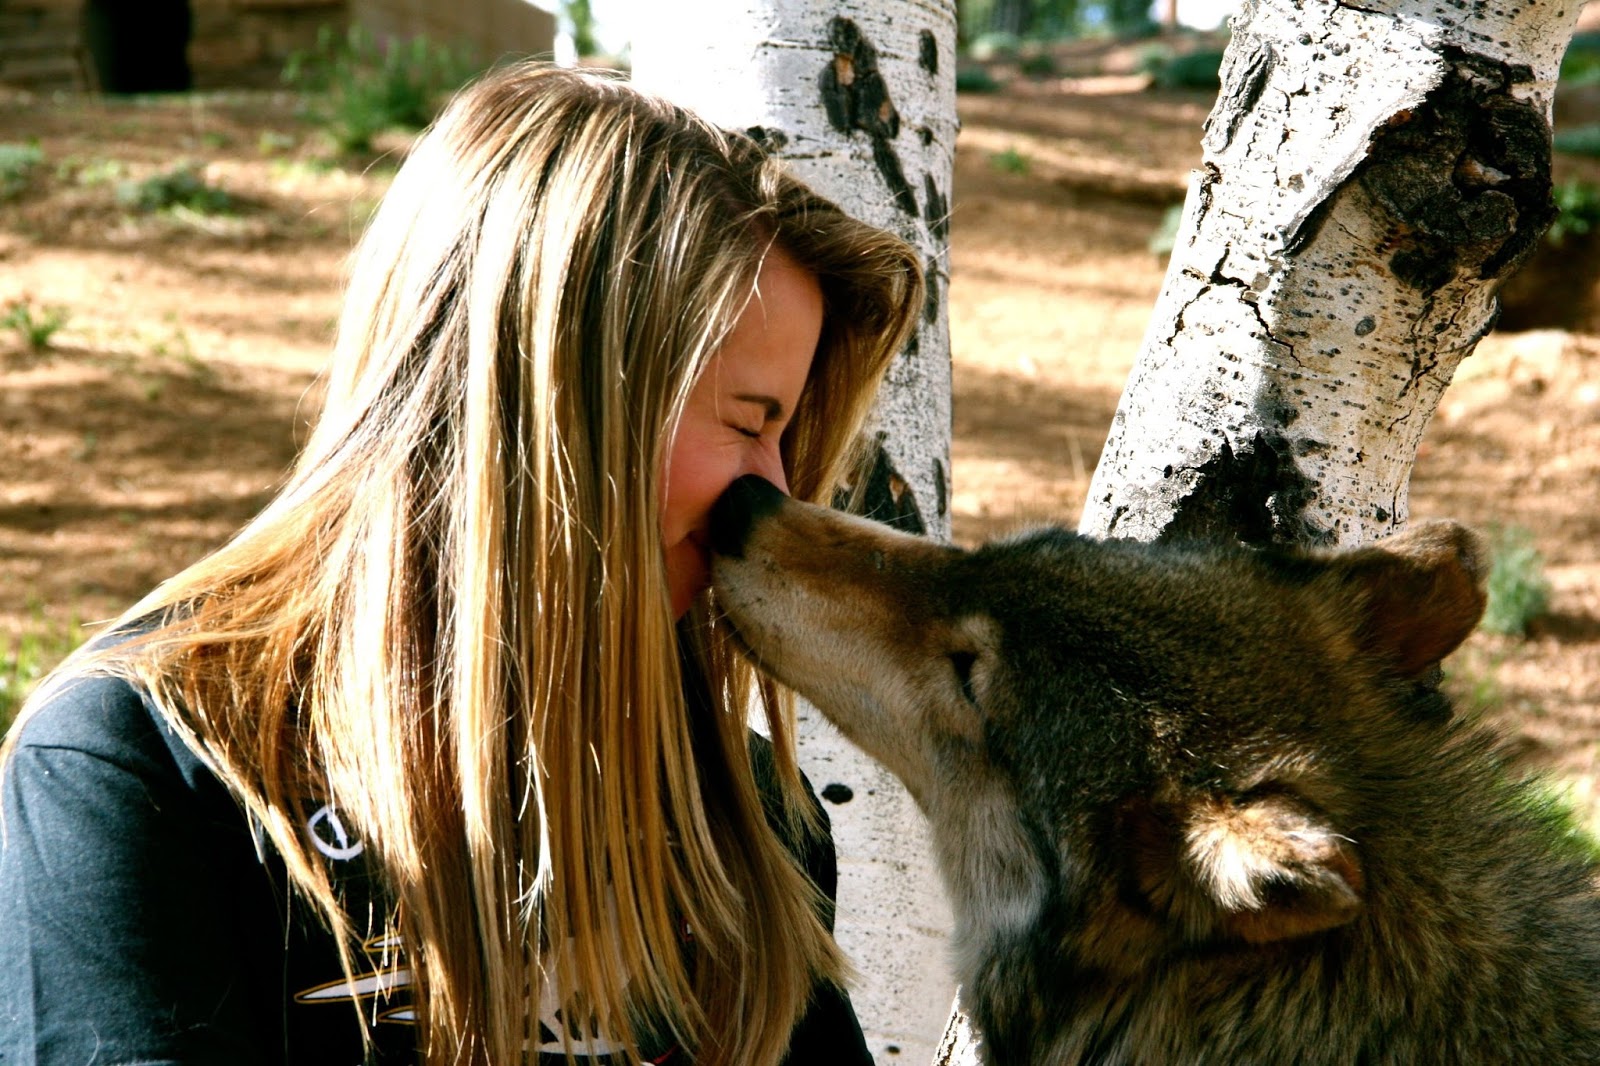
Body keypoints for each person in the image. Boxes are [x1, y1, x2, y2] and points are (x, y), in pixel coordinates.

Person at [0, 63, 923, 1066]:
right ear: (566, 402)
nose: (772, 496)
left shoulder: (742, 818)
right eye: (750, 424)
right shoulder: (144, 763)